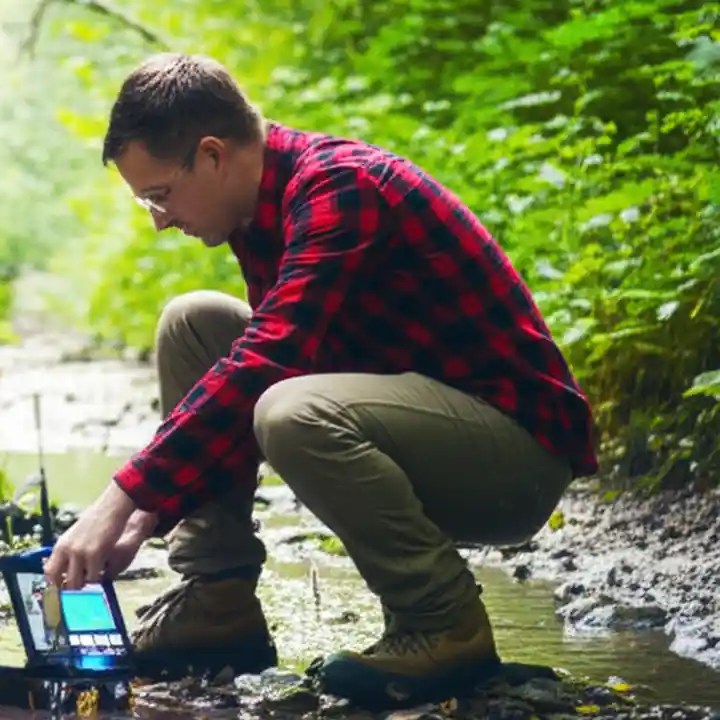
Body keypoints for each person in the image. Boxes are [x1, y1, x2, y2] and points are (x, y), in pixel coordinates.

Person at [42, 53, 598, 706]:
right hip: (426, 424)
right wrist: (151, 512)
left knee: (287, 408)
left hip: (515, 457)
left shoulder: (341, 188)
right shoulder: (256, 214)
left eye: (158, 194)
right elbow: (255, 368)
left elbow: (271, 367)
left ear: (214, 156)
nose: (159, 219)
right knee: (194, 323)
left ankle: (442, 622)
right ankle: (218, 601)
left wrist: (117, 500)